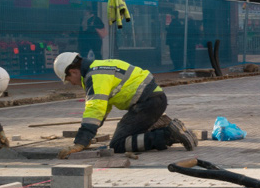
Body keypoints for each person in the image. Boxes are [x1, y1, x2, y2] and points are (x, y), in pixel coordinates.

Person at [52, 52, 196, 158]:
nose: (72, 83)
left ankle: (169, 134)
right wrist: (88, 136)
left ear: (73, 71)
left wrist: (80, 142)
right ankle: (175, 129)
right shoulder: (100, 67)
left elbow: (94, 109)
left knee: (118, 144)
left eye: (69, 79)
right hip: (153, 101)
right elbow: (103, 108)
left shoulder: (94, 76)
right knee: (128, 136)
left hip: (147, 105)